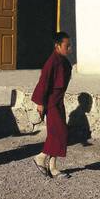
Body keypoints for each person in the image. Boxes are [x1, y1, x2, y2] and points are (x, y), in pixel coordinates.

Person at [32, 31, 74, 178]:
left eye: (70, 46)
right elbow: (44, 82)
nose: (69, 49)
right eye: (66, 46)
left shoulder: (63, 61)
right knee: (59, 132)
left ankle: (53, 167)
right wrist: (40, 103)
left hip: (58, 100)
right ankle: (41, 157)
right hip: (50, 101)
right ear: (57, 46)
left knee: (59, 133)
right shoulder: (52, 61)